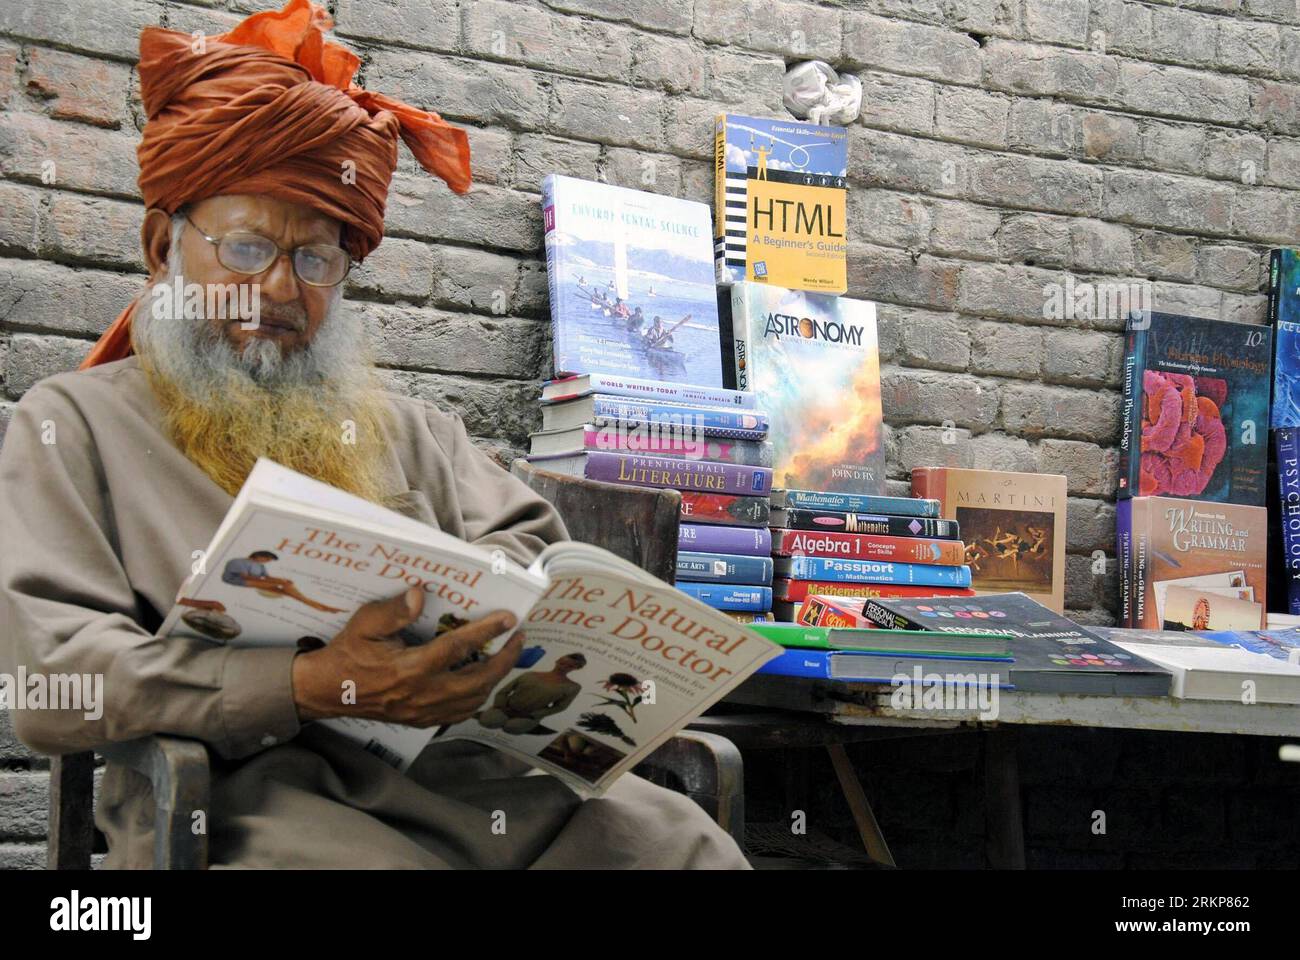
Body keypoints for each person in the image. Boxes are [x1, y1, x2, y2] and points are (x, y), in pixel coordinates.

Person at [0, 0, 747, 870]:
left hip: (474, 777)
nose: (279, 288)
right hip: (251, 796)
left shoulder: (413, 429)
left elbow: (533, 557)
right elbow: (58, 684)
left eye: (317, 260)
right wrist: (303, 686)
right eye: (246, 250)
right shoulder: (72, 424)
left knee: (683, 846)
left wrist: (484, 621)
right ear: (164, 245)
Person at [475, 653, 587, 734]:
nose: (563, 667)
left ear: (577, 668)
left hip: (530, 715)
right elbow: (504, 691)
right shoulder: (529, 675)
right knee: (487, 722)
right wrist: (500, 706)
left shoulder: (572, 687)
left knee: (512, 728)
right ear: (557, 660)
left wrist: (533, 715)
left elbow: (560, 707)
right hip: (505, 708)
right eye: (562, 663)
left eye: (570, 666)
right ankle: (494, 714)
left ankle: (531, 725)